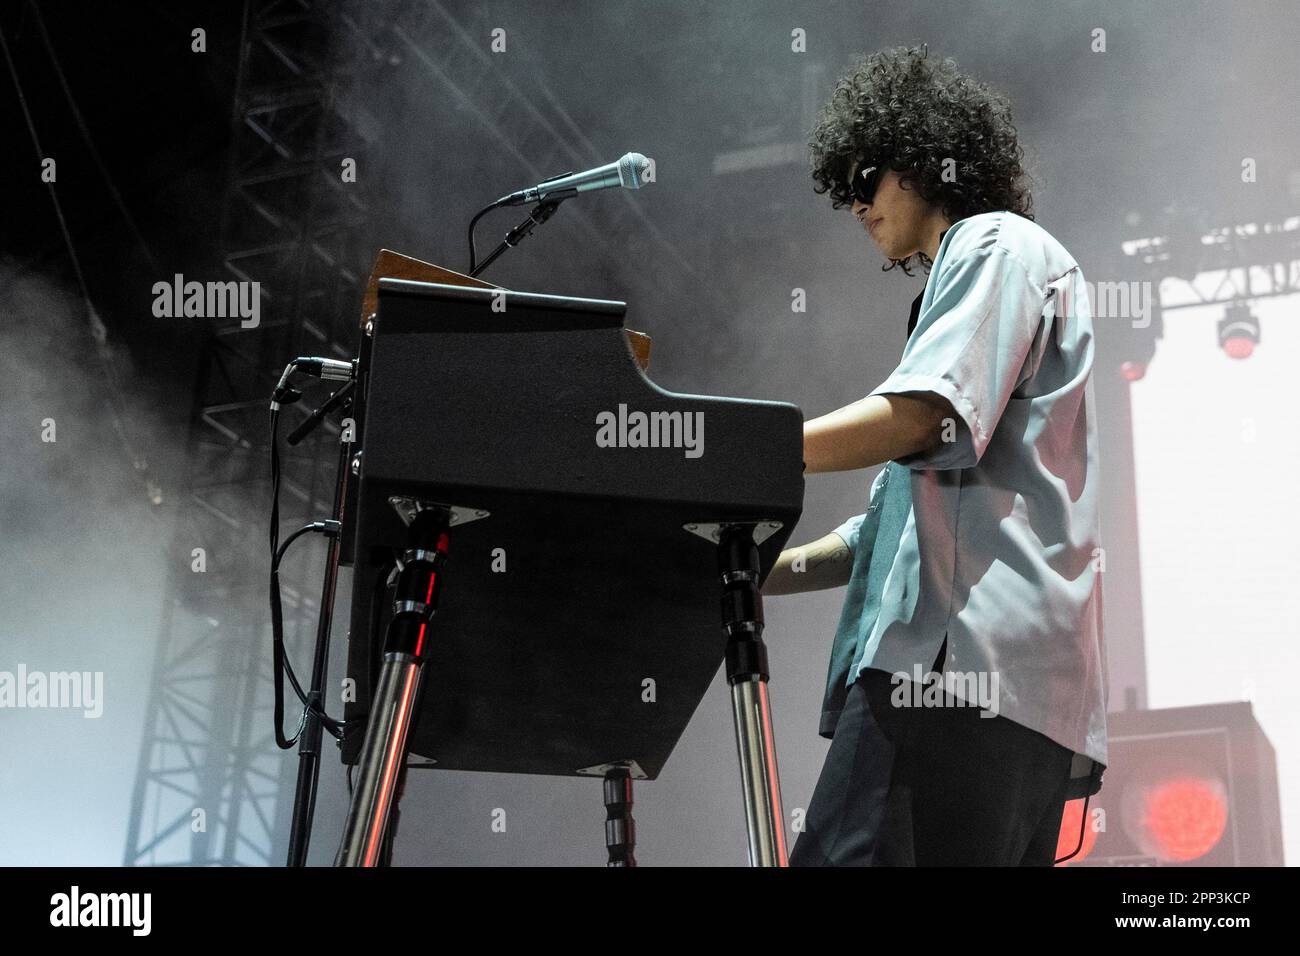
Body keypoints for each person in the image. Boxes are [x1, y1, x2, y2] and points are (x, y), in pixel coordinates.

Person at [763, 45, 1107, 866]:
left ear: (922, 160)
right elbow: (878, 535)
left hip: (950, 672)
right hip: (1020, 697)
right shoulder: (996, 278)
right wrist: (751, 569)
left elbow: (921, 416)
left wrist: (747, 452)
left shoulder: (995, 243)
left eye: (865, 175)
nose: (853, 203)